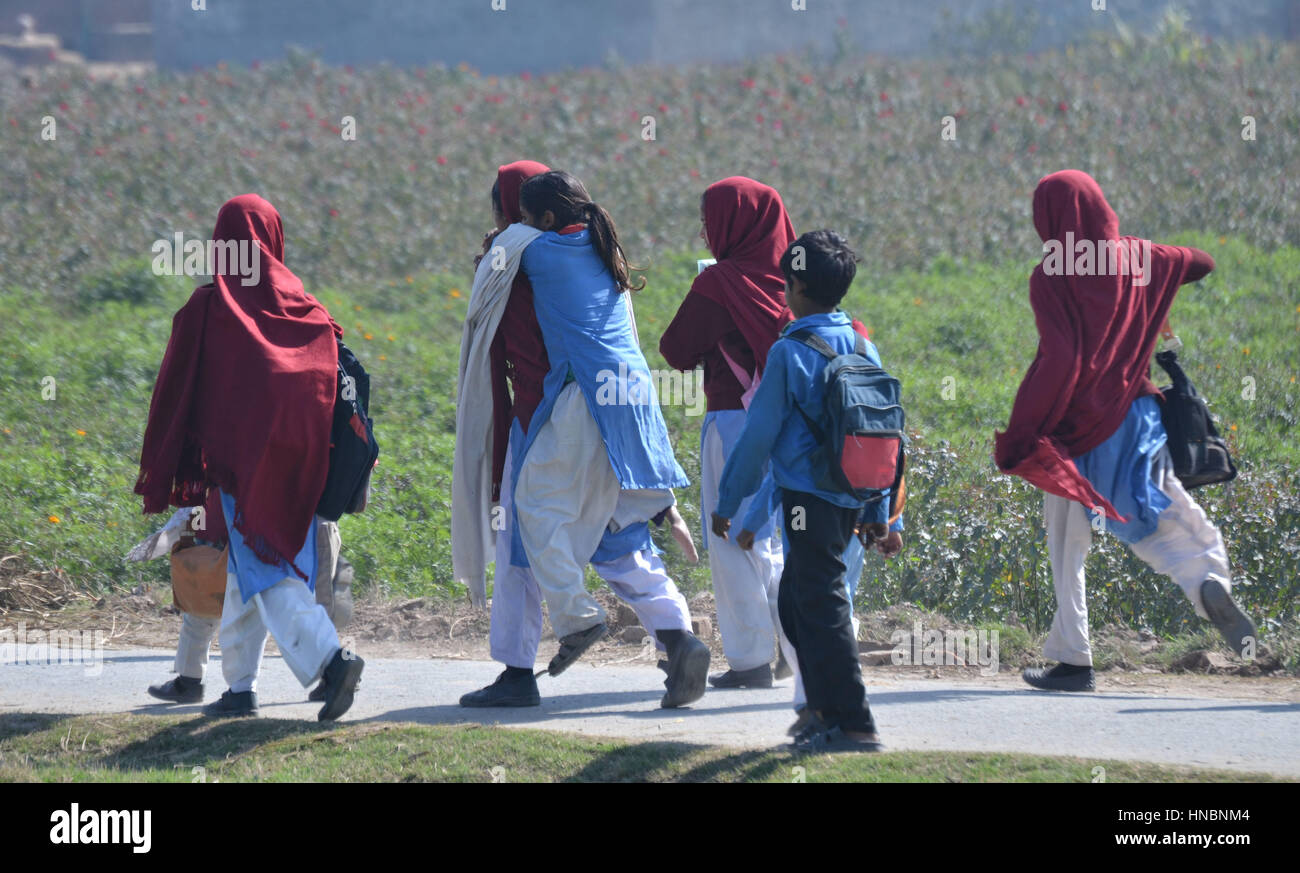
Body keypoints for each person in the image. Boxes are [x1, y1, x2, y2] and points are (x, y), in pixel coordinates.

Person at [995, 169, 1257, 693]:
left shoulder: (1051, 275)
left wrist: (1023, 430)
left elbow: (1061, 357)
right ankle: (1206, 579)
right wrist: (1143, 257)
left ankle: (1074, 659)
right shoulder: (1144, 259)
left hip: (1070, 435)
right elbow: (1202, 262)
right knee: (1169, 506)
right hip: (1135, 416)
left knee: (1066, 546)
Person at [452, 161, 703, 709]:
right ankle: (680, 638)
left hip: (553, 414)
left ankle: (522, 667)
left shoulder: (516, 256)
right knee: (619, 539)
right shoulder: (600, 247)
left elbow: (498, 311)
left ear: (525, 215)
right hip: (622, 410)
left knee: (527, 532)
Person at [135, 194, 364, 721]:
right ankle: (240, 689)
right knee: (246, 570)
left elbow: (176, 393)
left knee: (268, 571)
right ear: (274, 241)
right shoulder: (307, 310)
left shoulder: (208, 309)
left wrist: (187, 467)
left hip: (245, 469)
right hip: (306, 467)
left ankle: (332, 661)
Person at [712, 229, 898, 753]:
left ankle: (855, 724)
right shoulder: (864, 344)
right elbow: (880, 432)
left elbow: (757, 440)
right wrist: (880, 509)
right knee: (798, 604)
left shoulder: (788, 351)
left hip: (808, 502)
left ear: (794, 287)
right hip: (852, 495)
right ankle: (820, 711)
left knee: (823, 605)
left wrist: (729, 504)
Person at [660, 176, 795, 690]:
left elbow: (674, 350)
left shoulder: (718, 283)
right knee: (771, 541)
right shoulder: (794, 283)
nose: (702, 234)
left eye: (706, 221)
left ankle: (749, 661)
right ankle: (792, 648)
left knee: (730, 539)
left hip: (733, 421)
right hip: (784, 427)